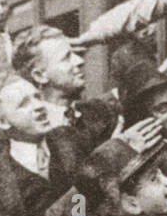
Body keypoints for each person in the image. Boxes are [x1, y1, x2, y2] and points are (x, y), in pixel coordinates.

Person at [12, 25, 118, 172]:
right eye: (66, 58)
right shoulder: (31, 136)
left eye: (74, 54)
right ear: (40, 76)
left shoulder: (99, 111)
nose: (79, 60)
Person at [0, 76, 72, 216]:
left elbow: (87, 200)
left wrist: (79, 215)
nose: (39, 106)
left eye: (37, 97)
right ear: (2, 122)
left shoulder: (71, 140)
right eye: (24, 104)